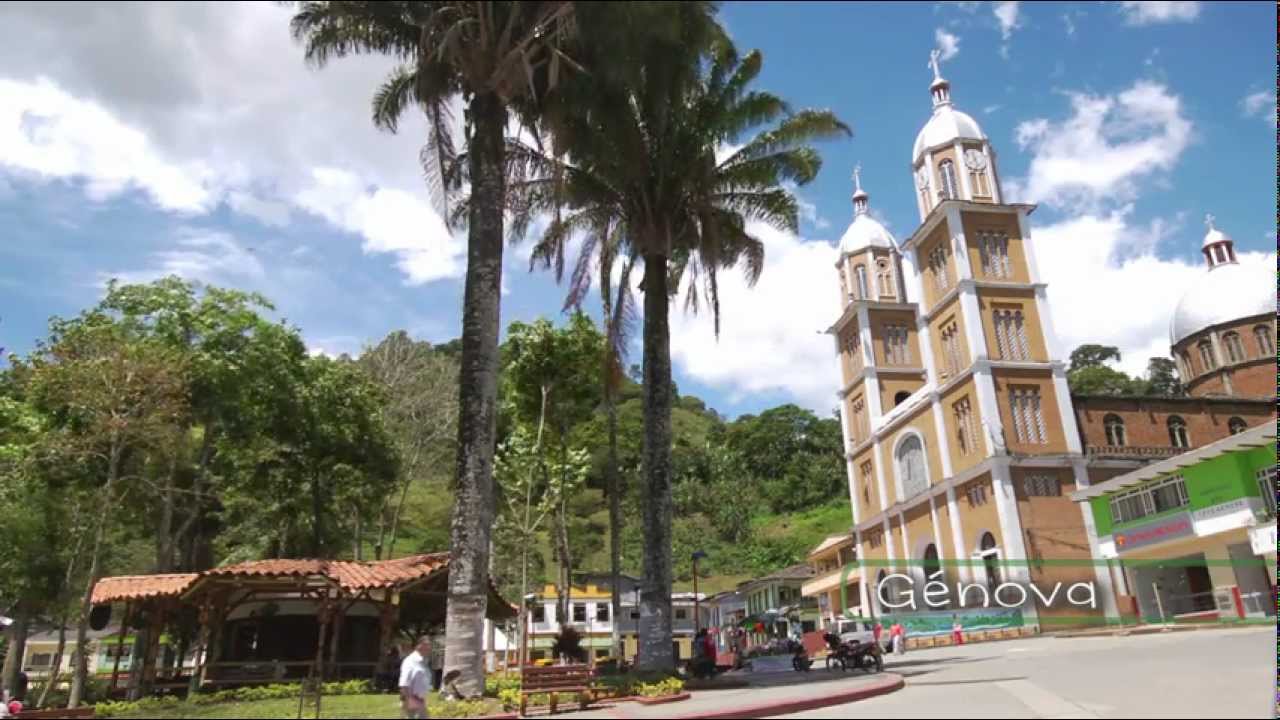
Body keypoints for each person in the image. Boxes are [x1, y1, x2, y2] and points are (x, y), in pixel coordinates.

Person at [399, 635, 433, 719]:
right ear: (418, 645)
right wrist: (407, 701)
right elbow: (404, 683)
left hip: (420, 700)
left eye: (429, 645)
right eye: (425, 644)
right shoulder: (410, 661)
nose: (428, 647)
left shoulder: (423, 661)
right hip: (411, 699)